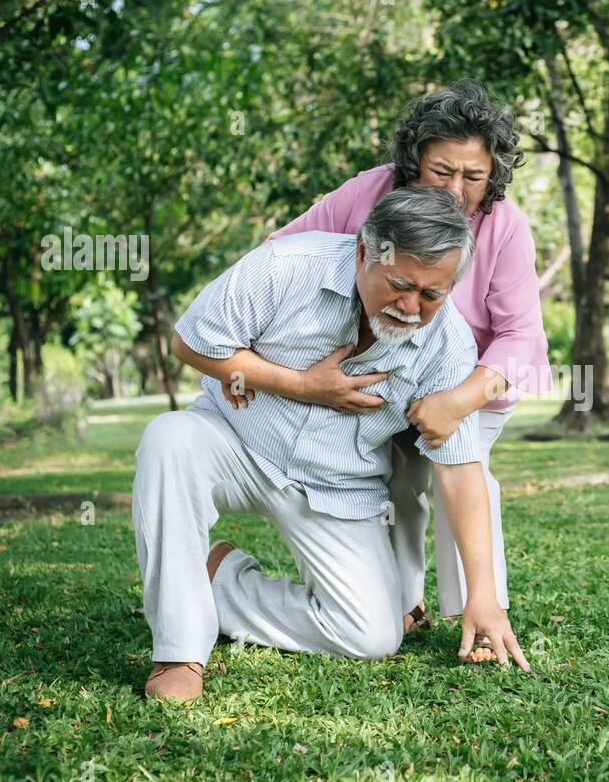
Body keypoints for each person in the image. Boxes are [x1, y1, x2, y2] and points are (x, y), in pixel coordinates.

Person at [133, 186, 530, 703]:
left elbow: (459, 469)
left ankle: (220, 578)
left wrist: (485, 596)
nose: (410, 307)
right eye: (399, 285)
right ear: (365, 252)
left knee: (371, 635)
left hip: (339, 486)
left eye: (431, 295)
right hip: (236, 443)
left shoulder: (448, 345)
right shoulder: (287, 266)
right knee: (168, 438)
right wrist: (299, 384)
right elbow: (192, 341)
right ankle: (178, 650)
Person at [243, 80, 551, 659]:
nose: (458, 190)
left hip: (470, 381)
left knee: (464, 471)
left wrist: (457, 400)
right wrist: (263, 365)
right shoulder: (367, 193)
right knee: (394, 481)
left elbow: (522, 337)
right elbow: (279, 254)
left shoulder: (504, 226)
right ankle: (403, 603)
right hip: (381, 373)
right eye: (442, 171)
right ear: (413, 161)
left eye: (474, 177)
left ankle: (482, 612)